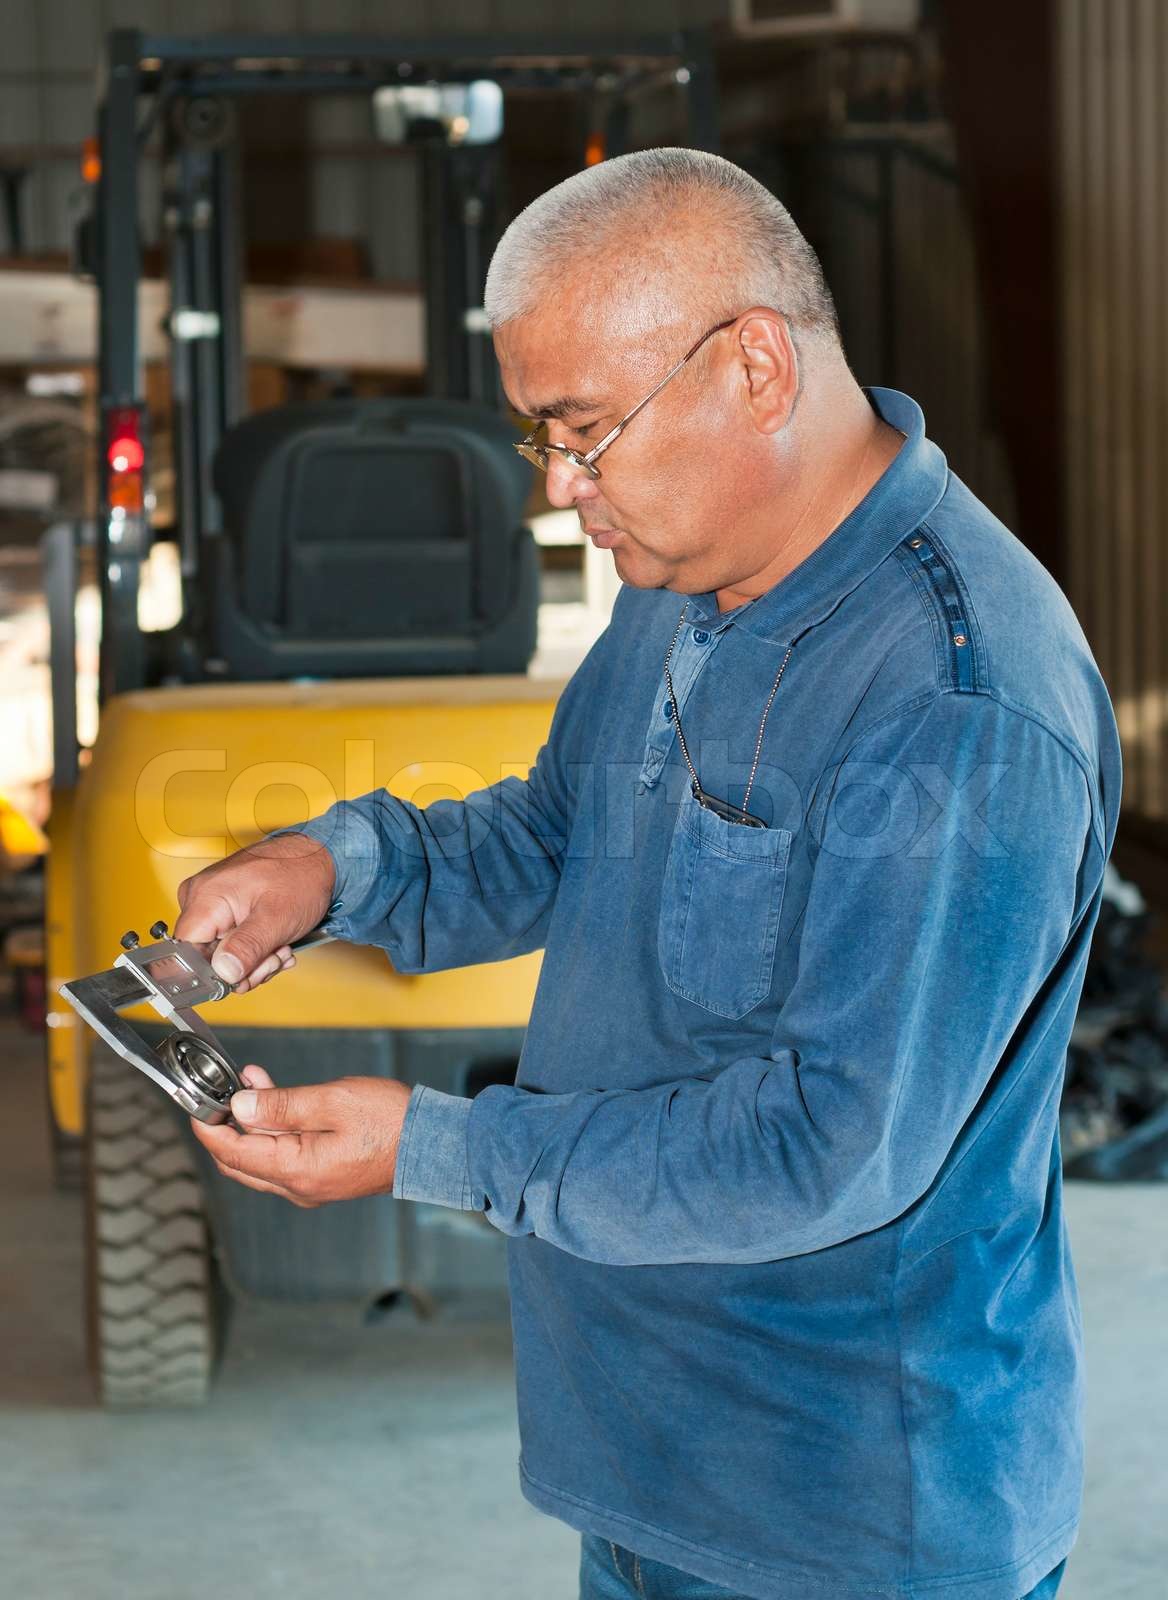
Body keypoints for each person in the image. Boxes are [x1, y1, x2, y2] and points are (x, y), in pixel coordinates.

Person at [177, 150, 1119, 1600]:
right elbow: (563, 834)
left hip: (842, 1517)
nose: (563, 488)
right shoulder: (686, 580)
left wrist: (438, 1147)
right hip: (651, 1467)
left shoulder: (954, 703)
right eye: (540, 438)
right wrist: (333, 867)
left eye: (586, 431)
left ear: (754, 367)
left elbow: (828, 1146)